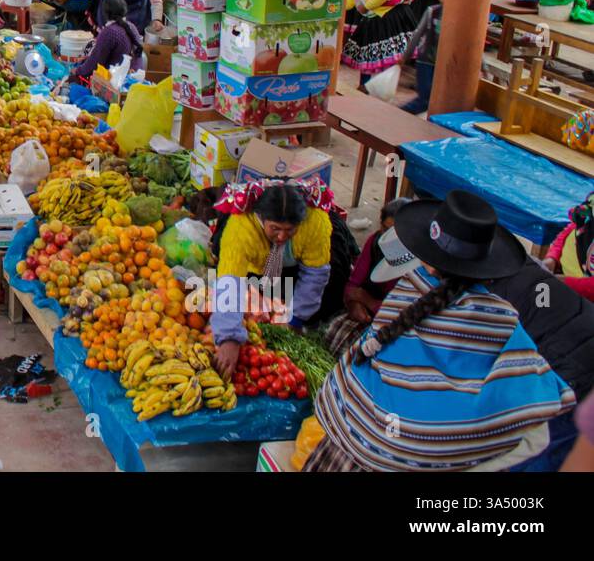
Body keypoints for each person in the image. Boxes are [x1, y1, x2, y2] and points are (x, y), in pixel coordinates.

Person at [303, 192, 576, 471]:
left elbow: (362, 365)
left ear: (428, 260)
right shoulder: (501, 320)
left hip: (349, 448)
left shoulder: (409, 288)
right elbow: (539, 423)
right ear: (489, 269)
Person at [209, 179, 337, 379]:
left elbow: (315, 275)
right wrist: (228, 338)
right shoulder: (241, 228)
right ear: (261, 218)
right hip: (254, 267)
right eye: (275, 228)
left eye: (290, 230)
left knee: (330, 293)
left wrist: (296, 318)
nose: (282, 236)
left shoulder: (315, 222)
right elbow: (229, 281)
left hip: (292, 266)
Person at [322, 197, 411, 354]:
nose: (388, 238)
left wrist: (366, 300)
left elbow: (402, 313)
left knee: (361, 350)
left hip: (394, 321)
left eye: (395, 233)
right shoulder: (375, 242)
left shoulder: (413, 263)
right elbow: (353, 285)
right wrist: (353, 304)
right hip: (367, 309)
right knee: (333, 332)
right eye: (385, 229)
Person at [72, 0, 144, 81]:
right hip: (134, 78)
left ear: (105, 13)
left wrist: (77, 71)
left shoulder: (110, 32)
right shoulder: (131, 26)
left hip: (117, 81)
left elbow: (94, 64)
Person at [397, 0, 441, 116]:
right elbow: (418, 34)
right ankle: (399, 114)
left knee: (430, 99)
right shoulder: (432, 11)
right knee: (425, 99)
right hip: (426, 59)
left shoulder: (459, 17)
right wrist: (405, 56)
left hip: (441, 63)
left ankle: (399, 114)